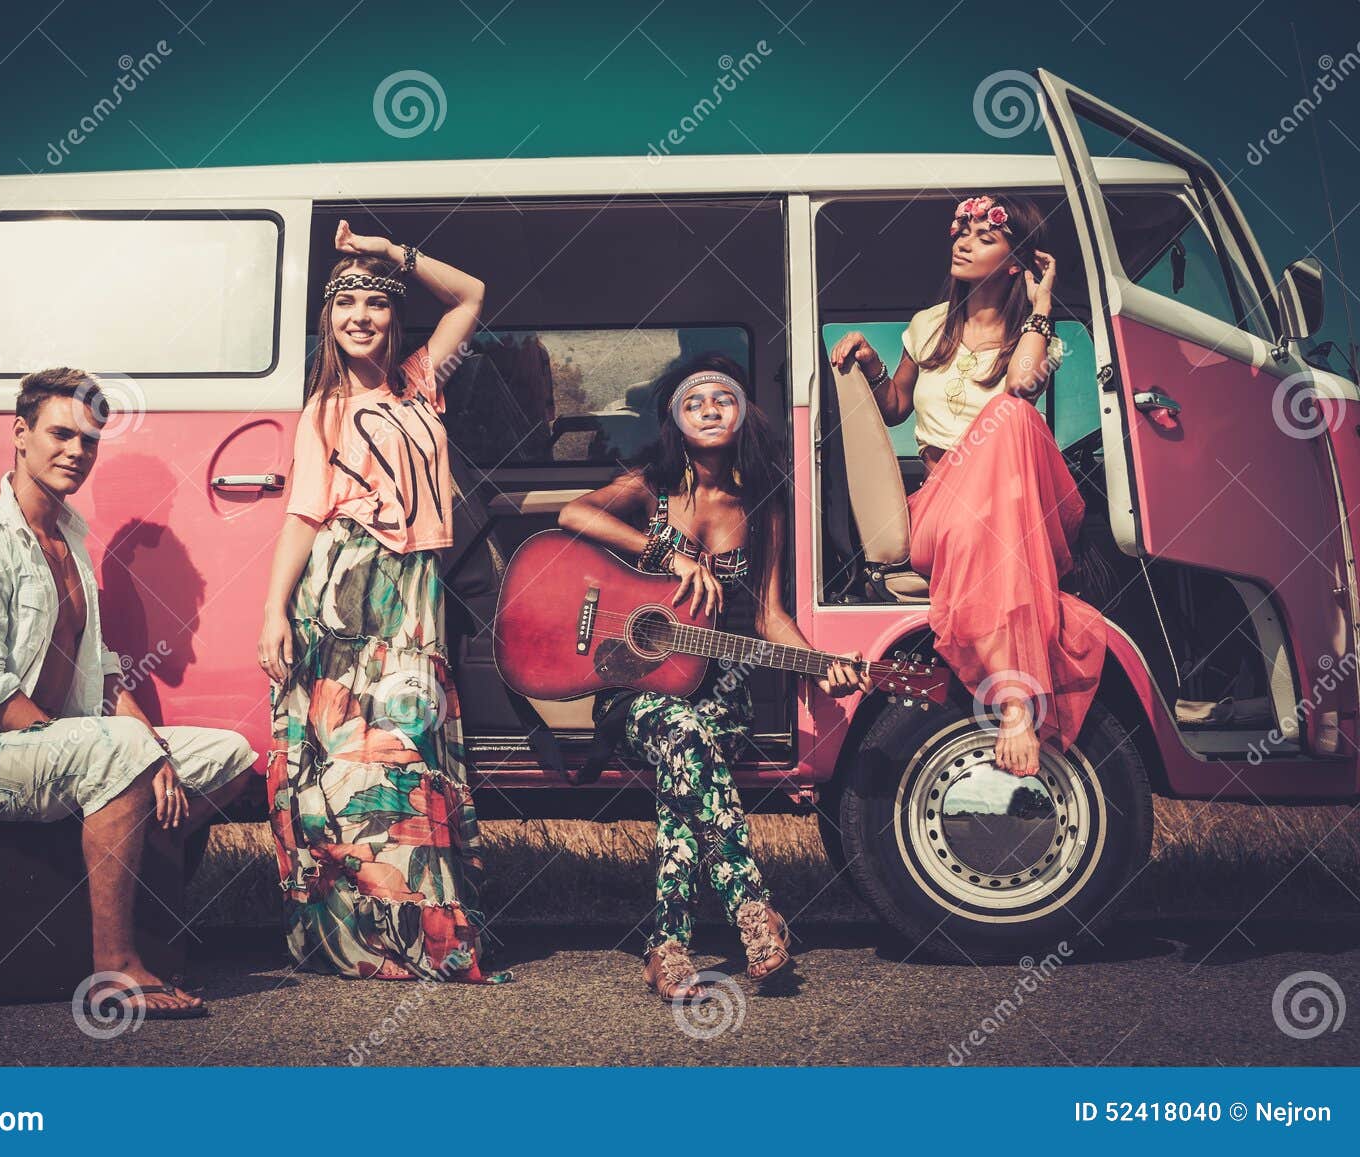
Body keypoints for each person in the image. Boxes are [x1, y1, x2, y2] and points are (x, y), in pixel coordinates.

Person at [0, 367, 260, 1021]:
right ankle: (116, 965)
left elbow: (104, 680)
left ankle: (122, 884)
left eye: (90, 441)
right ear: (19, 434)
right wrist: (128, 748)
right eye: (60, 433)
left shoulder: (73, 544)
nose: (76, 451)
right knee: (121, 752)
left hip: (75, 748)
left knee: (231, 754)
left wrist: (150, 746)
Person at [557, 353, 869, 1002]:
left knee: (684, 779)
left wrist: (823, 667)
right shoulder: (653, 487)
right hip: (637, 691)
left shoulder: (763, 505)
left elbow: (768, 614)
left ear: (742, 413)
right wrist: (663, 551)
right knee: (682, 739)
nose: (706, 407)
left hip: (721, 694)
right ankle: (754, 912)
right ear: (674, 417)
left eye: (720, 397)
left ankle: (668, 946)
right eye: (692, 399)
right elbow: (572, 516)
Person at [259, 222, 510, 983]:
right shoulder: (323, 409)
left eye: (374, 303)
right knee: (347, 769)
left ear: (393, 318)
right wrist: (273, 611)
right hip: (343, 593)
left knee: (407, 758)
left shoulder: (421, 380)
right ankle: (356, 937)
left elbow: (471, 295)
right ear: (328, 322)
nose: (360, 316)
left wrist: (386, 248)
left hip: (411, 596)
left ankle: (418, 932)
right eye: (346, 305)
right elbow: (303, 514)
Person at [829, 193, 1108, 778]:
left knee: (1008, 417)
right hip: (941, 504)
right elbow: (898, 409)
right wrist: (871, 361)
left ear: (1017, 262)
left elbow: (1024, 387)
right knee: (1000, 433)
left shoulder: (1036, 335)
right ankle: (1014, 693)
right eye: (962, 231)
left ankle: (1015, 703)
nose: (963, 241)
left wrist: (1043, 303)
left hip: (1019, 503)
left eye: (985, 237)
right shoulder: (927, 325)